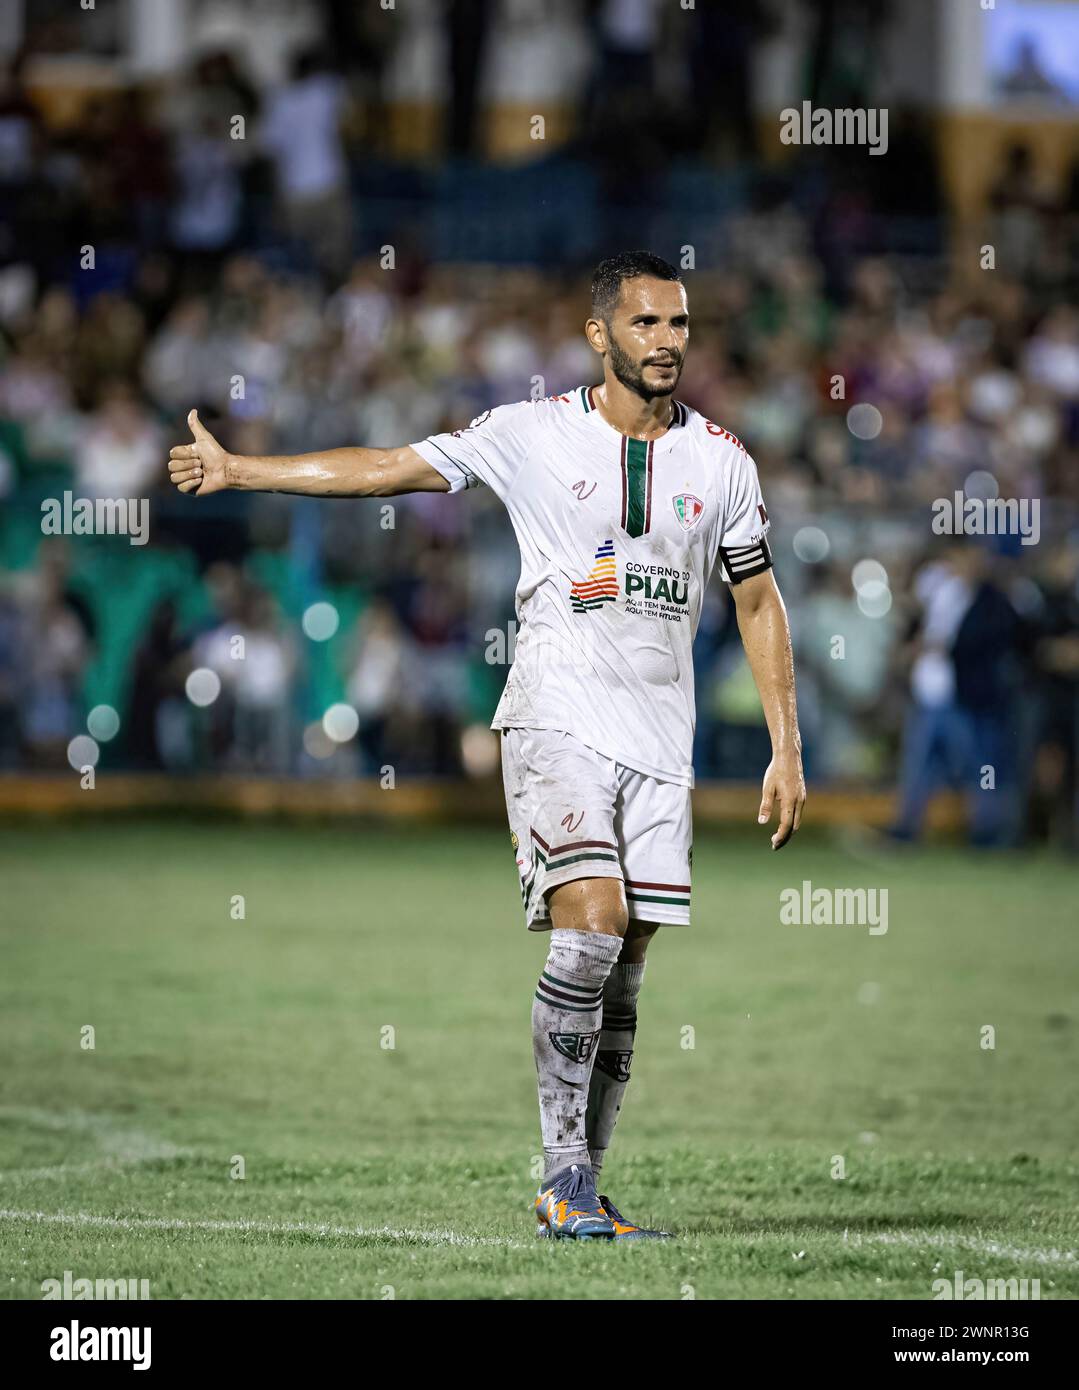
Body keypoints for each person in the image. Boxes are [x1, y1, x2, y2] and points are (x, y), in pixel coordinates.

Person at [167, 250, 806, 1240]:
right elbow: (388, 466)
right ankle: (559, 1178)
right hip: (552, 716)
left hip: (657, 741)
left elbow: (756, 600)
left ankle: (582, 1180)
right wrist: (242, 469)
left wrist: (785, 745)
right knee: (589, 924)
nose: (666, 343)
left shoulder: (722, 459)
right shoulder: (529, 433)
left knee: (624, 965)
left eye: (678, 324)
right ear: (598, 335)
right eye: (644, 324)